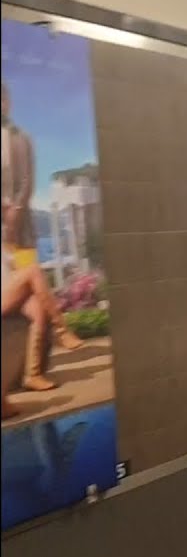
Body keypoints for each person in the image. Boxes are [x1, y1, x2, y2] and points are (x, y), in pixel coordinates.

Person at [2, 246, 87, 416]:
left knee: (39, 311)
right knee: (34, 270)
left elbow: (12, 269)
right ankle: (61, 330)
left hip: (8, 294)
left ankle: (32, 375)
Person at [2, 82, 38, 254]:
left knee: (26, 273)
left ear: (8, 103)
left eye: (2, 99)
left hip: (21, 225)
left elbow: (27, 180)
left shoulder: (22, 137)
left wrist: (15, 210)